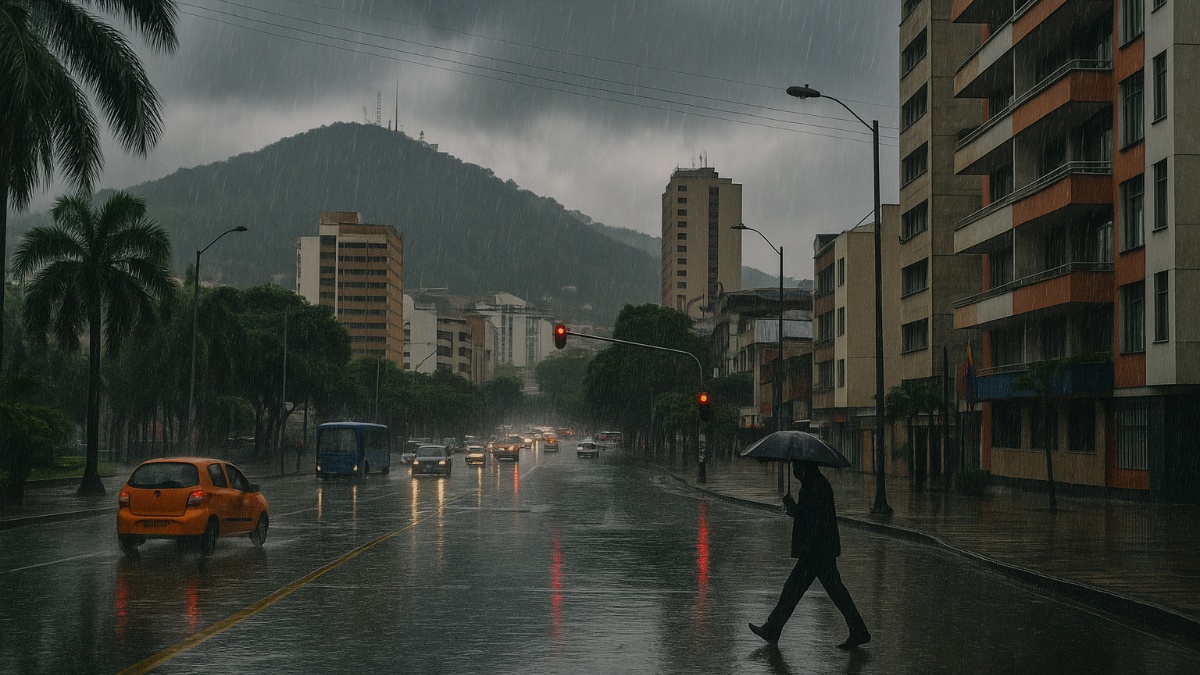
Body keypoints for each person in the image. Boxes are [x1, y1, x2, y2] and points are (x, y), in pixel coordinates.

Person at [750, 460, 871, 650]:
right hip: (818, 549)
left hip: (817, 551)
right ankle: (773, 628)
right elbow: (809, 515)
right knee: (812, 590)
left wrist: (793, 508)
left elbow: (811, 520)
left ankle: (773, 628)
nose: (794, 470)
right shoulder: (814, 484)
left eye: (796, 467)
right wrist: (795, 510)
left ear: (804, 467)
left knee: (801, 589)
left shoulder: (815, 487)